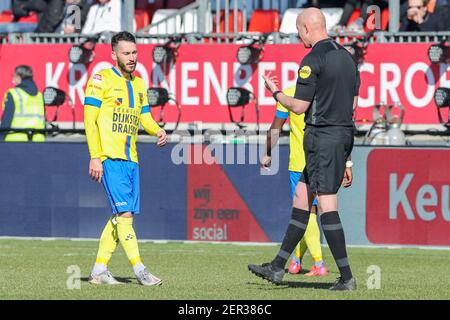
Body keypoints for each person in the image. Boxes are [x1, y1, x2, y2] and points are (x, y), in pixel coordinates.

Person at [248, 8, 359, 291]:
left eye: (299, 31)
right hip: (340, 137)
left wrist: (275, 92)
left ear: (308, 28)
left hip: (322, 138)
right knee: (301, 199)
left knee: (326, 207)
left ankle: (346, 278)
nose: (299, 36)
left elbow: (299, 107)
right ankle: (277, 267)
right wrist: (346, 159)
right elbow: (353, 107)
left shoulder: (312, 60)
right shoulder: (348, 58)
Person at [84, 31, 167, 286]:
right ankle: (140, 270)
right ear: (114, 55)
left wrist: (158, 129)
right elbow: (90, 119)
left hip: (132, 160)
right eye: (126, 53)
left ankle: (99, 270)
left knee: (120, 217)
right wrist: (95, 156)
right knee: (126, 216)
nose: (132, 58)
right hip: (110, 157)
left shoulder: (139, 82)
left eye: (134, 53)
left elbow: (144, 117)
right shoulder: (101, 79)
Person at [261, 85, 328, 277]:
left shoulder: (289, 92)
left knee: (305, 212)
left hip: (300, 162)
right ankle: (296, 261)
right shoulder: (324, 91)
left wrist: (267, 152)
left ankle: (318, 263)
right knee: (311, 212)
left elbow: (276, 128)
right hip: (324, 160)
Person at [1, 65, 45, 142]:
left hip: (15, 141)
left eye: (14, 76)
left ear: (19, 77)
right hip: (38, 141)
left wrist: (1, 138)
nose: (13, 79)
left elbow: (6, 120)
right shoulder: (39, 95)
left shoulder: (13, 94)